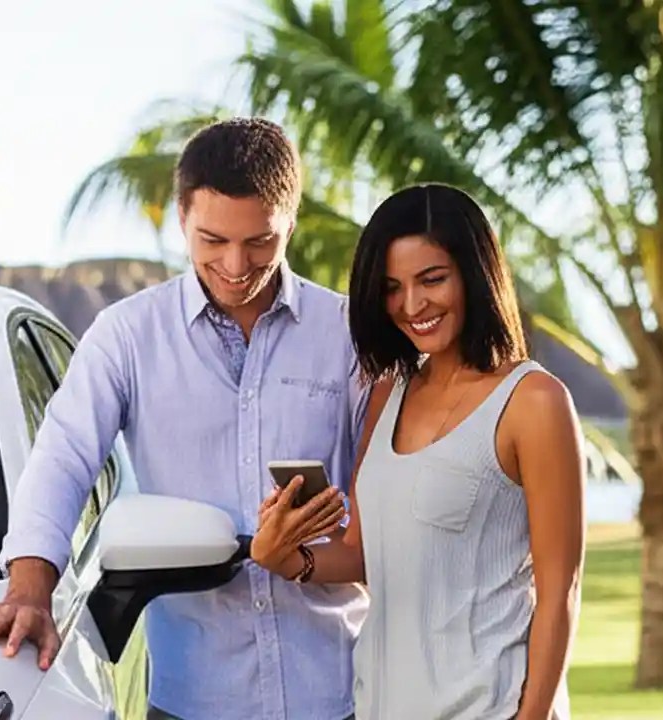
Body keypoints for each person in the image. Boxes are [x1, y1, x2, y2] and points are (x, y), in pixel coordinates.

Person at [0, 117, 367, 720]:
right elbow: (63, 459)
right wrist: (30, 590)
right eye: (212, 240)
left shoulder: (349, 336)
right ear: (181, 220)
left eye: (259, 242)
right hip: (195, 697)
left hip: (337, 692)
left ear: (290, 224)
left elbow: (394, 484)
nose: (236, 264)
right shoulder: (127, 334)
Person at [251, 183, 586, 720]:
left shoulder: (534, 402)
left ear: (475, 272)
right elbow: (365, 554)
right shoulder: (387, 394)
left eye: (432, 279)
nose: (413, 306)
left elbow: (560, 591)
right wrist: (287, 556)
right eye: (392, 287)